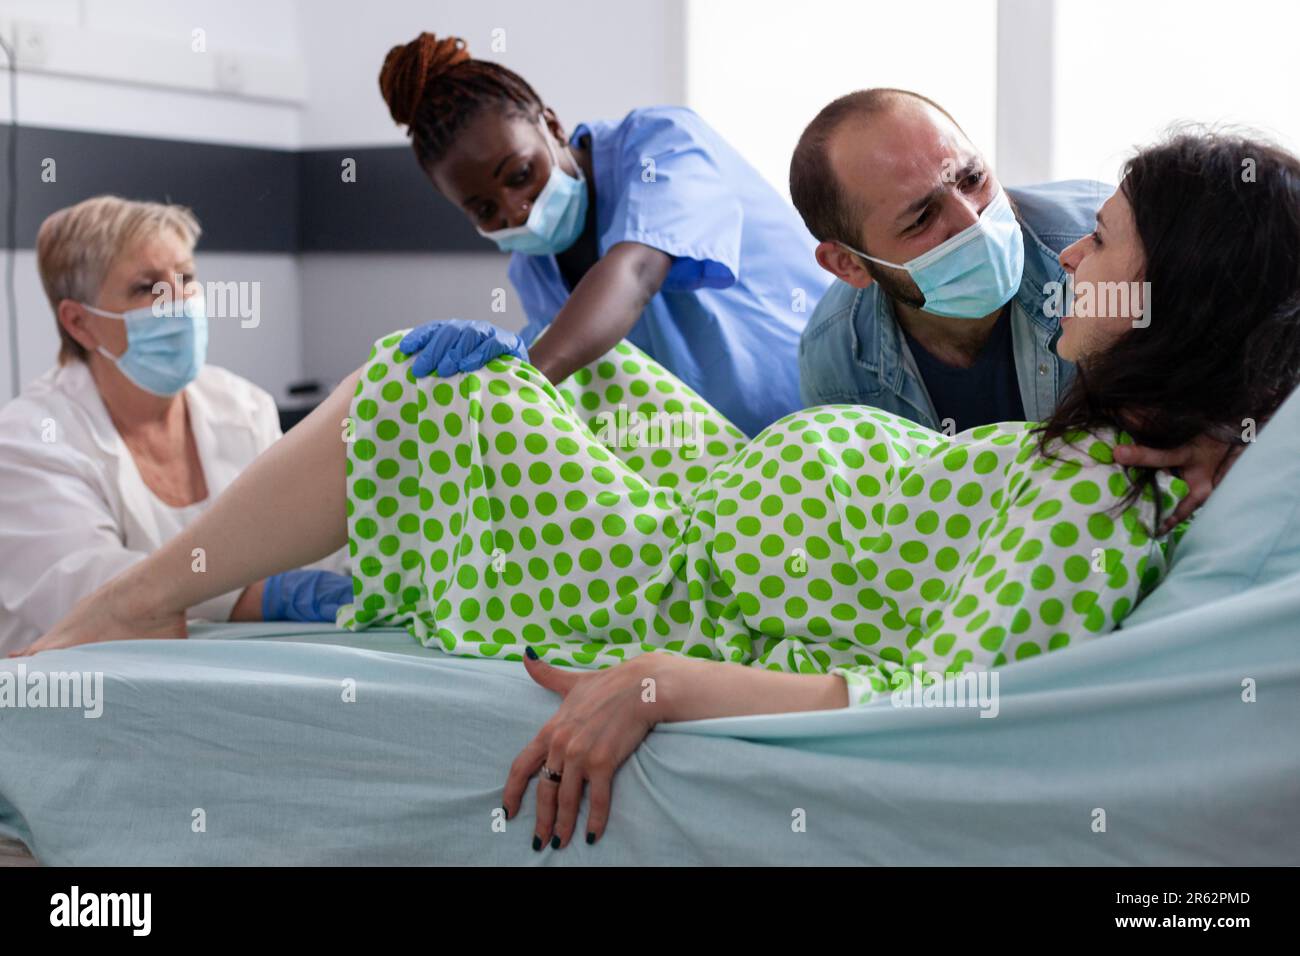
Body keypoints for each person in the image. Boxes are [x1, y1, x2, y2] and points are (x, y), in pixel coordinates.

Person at [22, 130, 1300, 853]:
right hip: (730, 484)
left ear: (1175, 294)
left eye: (1103, 238)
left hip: (685, 564)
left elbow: (931, 695)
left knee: (423, 379)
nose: (1057, 242)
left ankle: (138, 602)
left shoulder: (1106, 497)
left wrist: (656, 678)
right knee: (531, 372)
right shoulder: (1118, 427)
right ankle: (177, 593)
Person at [789, 89, 1241, 532]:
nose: (975, 222)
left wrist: (1228, 431)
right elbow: (880, 533)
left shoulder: (1107, 250)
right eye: (922, 219)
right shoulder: (838, 361)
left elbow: (1265, 330)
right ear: (848, 263)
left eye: (972, 179)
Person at [377, 33, 831, 437]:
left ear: (551, 125)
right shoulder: (534, 271)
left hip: (831, 419)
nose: (516, 210)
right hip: (731, 474)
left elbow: (635, 272)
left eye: (519, 174)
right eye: (484, 210)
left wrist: (522, 378)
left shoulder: (663, 145)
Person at [0, 196, 349, 655]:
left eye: (185, 279)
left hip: (231, 678)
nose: (179, 300)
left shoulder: (244, 407)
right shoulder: (30, 440)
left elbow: (307, 537)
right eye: (147, 288)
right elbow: (98, 592)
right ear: (80, 323)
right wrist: (262, 594)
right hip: (81, 700)